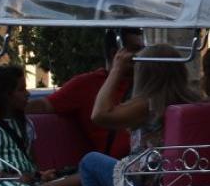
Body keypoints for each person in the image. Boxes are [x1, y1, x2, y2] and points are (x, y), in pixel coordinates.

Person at [80, 43, 201, 186]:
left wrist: (116, 70)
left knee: (90, 163)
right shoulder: (194, 99)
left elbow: (99, 115)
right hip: (179, 175)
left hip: (146, 181)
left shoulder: (147, 105)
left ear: (145, 73)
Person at [0, 65, 82, 186]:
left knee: (79, 180)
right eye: (21, 90)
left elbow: (31, 162)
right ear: (6, 95)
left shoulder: (25, 124)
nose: (27, 94)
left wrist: (41, 175)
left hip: (28, 184)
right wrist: (11, 177)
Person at [27, 28, 140, 159]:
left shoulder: (148, 84)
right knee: (90, 161)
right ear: (116, 54)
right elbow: (44, 105)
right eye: (136, 50)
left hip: (152, 159)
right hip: (119, 166)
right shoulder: (86, 84)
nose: (143, 55)